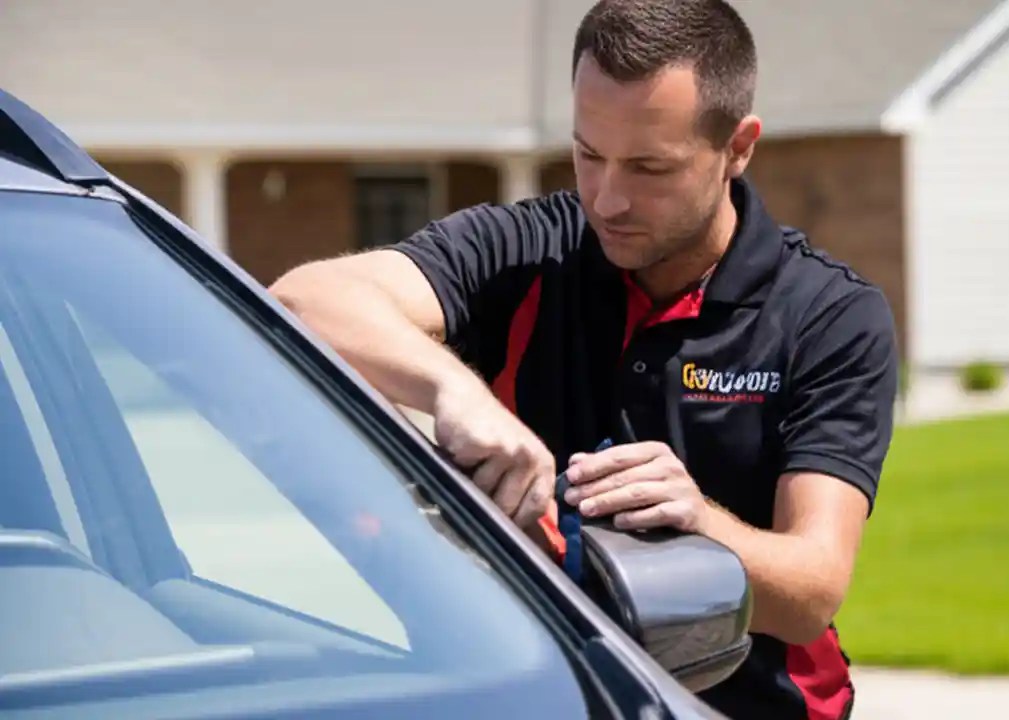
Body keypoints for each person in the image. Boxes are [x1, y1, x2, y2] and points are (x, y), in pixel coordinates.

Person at [269, 1, 898, 717]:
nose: (608, 198)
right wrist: (455, 391)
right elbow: (303, 299)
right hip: (552, 695)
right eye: (587, 154)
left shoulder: (830, 315)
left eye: (650, 167)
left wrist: (698, 521)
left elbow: (812, 591)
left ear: (739, 147)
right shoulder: (530, 248)